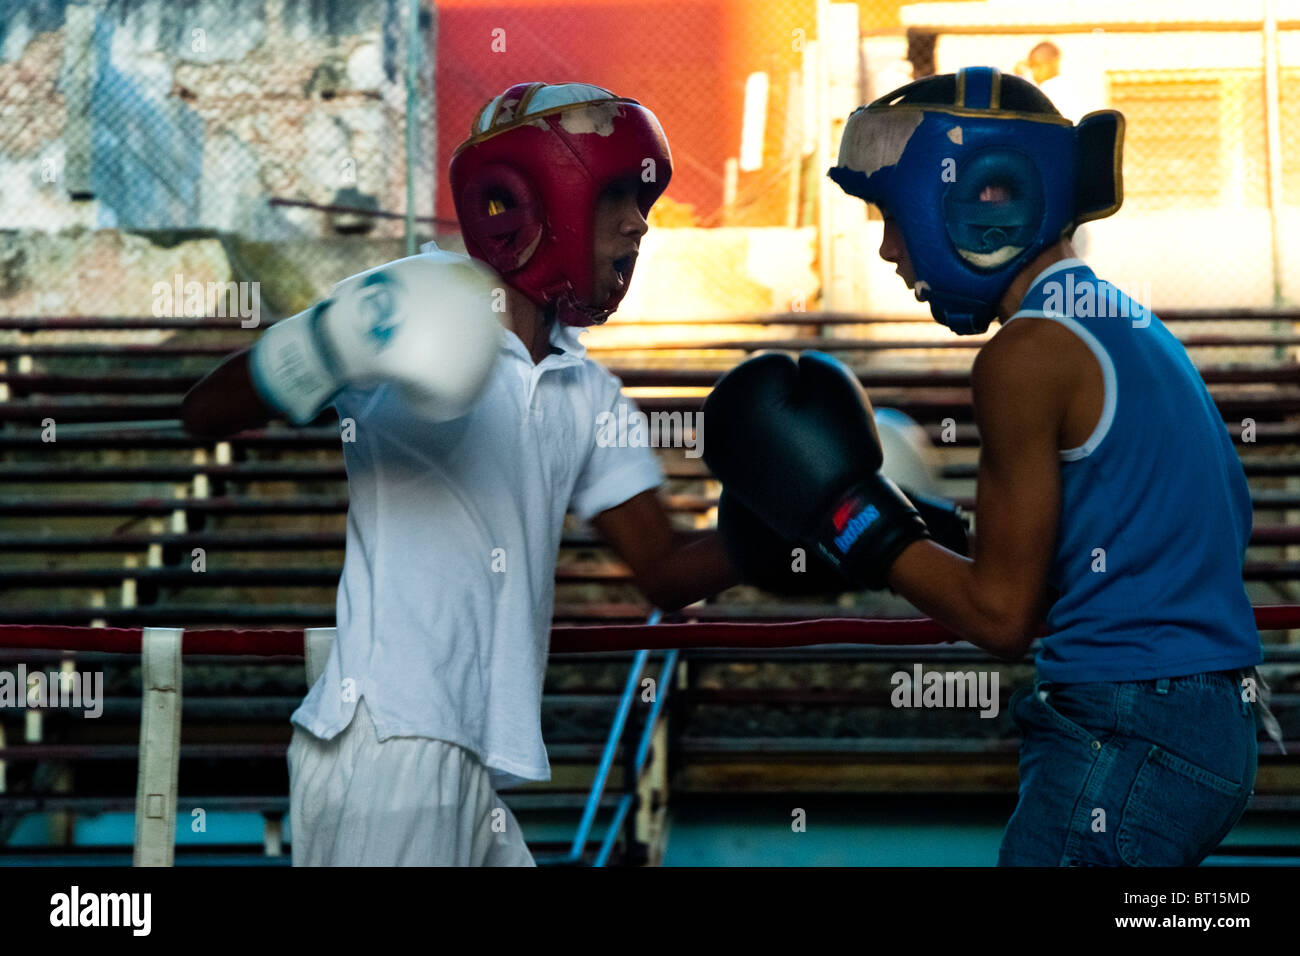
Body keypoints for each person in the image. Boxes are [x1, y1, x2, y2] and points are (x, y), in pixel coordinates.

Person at [703, 66, 1280, 866]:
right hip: (1203, 723)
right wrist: (934, 534)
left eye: (894, 215)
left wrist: (847, 515)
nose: (888, 247)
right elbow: (1170, 531)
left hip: (1128, 726)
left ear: (984, 197)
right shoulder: (1128, 325)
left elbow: (1001, 617)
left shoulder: (1024, 356)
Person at [182, 82, 741, 865]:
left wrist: (807, 520)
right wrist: (327, 341)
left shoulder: (586, 385)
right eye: (615, 193)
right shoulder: (409, 300)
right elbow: (205, 411)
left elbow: (666, 570)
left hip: (477, 766)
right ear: (534, 198)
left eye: (640, 199)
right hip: (387, 747)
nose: (638, 222)